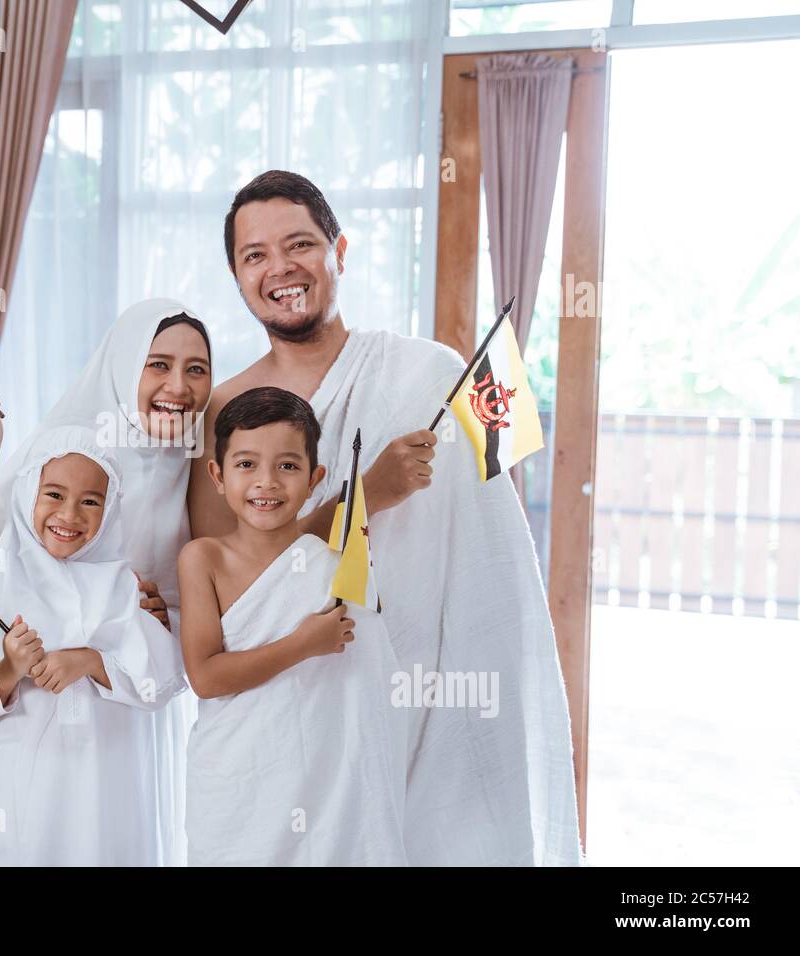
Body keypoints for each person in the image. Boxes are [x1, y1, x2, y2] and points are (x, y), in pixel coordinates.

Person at [188, 170, 583, 866]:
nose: (279, 267)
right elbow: (234, 585)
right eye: (255, 255)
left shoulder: (431, 375)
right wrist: (368, 495)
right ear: (236, 273)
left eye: (300, 244)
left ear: (340, 251)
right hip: (283, 713)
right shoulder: (225, 408)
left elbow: (493, 559)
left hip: (424, 689)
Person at [0, 298, 213, 865]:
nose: (178, 385)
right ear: (123, 364)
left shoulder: (199, 460)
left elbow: (213, 581)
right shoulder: (66, 450)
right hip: (29, 714)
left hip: (132, 709)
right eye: (158, 363)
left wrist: (166, 620)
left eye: (196, 368)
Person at [0, 422, 186, 865]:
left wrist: (90, 661)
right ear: (27, 490)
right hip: (21, 785)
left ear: (109, 511)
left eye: (91, 501)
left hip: (105, 784)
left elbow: (162, 684)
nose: (69, 515)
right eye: (53, 494)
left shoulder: (124, 586)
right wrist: (10, 668)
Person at [179, 386, 408, 865]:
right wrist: (302, 645)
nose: (267, 482)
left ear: (314, 478)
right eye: (246, 465)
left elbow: (370, 678)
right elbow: (205, 678)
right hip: (240, 777)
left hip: (323, 781)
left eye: (287, 466)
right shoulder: (204, 559)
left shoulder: (335, 568)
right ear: (218, 476)